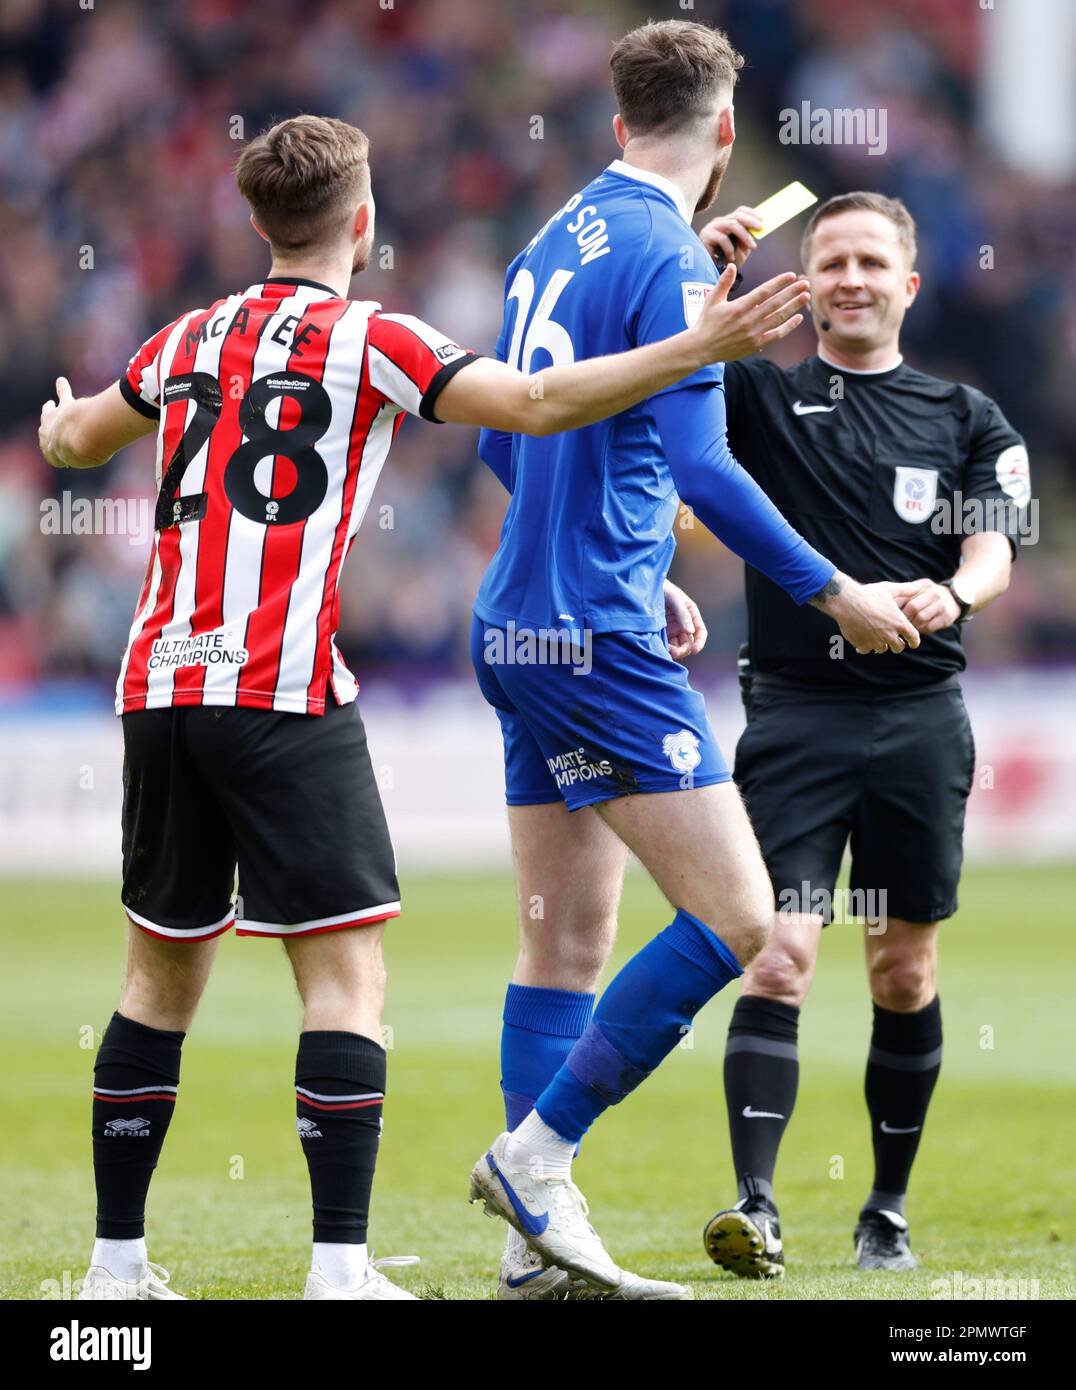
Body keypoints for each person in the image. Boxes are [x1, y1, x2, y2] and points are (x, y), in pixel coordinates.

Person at [37, 112, 805, 1302]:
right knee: (346, 988)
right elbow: (539, 406)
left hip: (158, 687)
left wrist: (51, 421)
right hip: (281, 689)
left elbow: (83, 435)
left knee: (155, 984)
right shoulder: (371, 336)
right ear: (362, 220)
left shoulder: (186, 335)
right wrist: (686, 344)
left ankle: (114, 1266)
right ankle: (340, 1268)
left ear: (252, 222)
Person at [466, 20, 920, 1300]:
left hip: (518, 618)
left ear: (619, 125)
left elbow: (514, 439)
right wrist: (831, 589)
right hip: (596, 635)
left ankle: (527, 1251)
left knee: (562, 942)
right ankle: (536, 1154)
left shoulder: (553, 241)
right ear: (727, 133)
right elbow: (707, 463)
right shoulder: (670, 256)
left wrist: (629, 544)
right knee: (737, 917)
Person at [696, 190, 1028, 1276]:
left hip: (919, 719)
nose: (847, 278)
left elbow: (993, 547)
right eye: (828, 259)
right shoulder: (755, 395)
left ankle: (882, 1208)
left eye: (867, 261)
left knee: (900, 968)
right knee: (779, 954)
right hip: (794, 718)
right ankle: (755, 1204)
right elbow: (662, 370)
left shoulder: (967, 416)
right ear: (803, 282)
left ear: (906, 282)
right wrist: (705, 279)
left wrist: (955, 594)